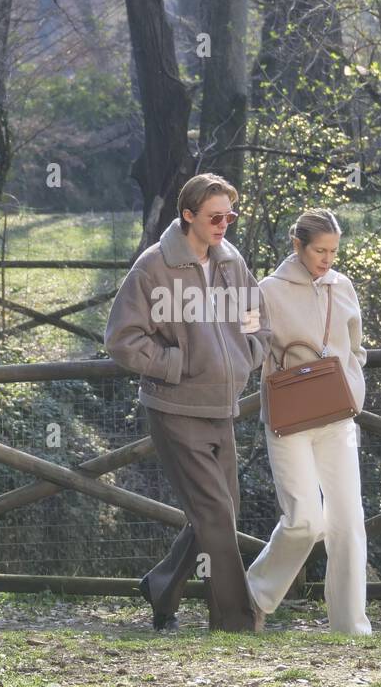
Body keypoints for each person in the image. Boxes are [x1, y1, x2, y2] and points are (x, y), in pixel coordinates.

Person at [104, 174, 271, 632]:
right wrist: (177, 364)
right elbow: (122, 340)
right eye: (215, 217)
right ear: (189, 215)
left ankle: (163, 586)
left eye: (230, 216)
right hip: (175, 410)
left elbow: (258, 317)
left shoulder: (231, 261)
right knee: (215, 514)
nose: (224, 225)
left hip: (223, 407)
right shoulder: (154, 266)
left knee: (218, 515)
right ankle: (236, 621)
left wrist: (248, 354)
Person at [247, 208, 372, 635]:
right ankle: (254, 595)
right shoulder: (266, 290)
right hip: (287, 415)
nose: (327, 259)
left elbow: (356, 348)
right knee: (305, 520)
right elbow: (247, 344)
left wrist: (354, 387)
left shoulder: (344, 286)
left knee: (348, 521)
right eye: (320, 250)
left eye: (334, 251)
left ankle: (350, 624)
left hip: (337, 414)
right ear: (297, 245)